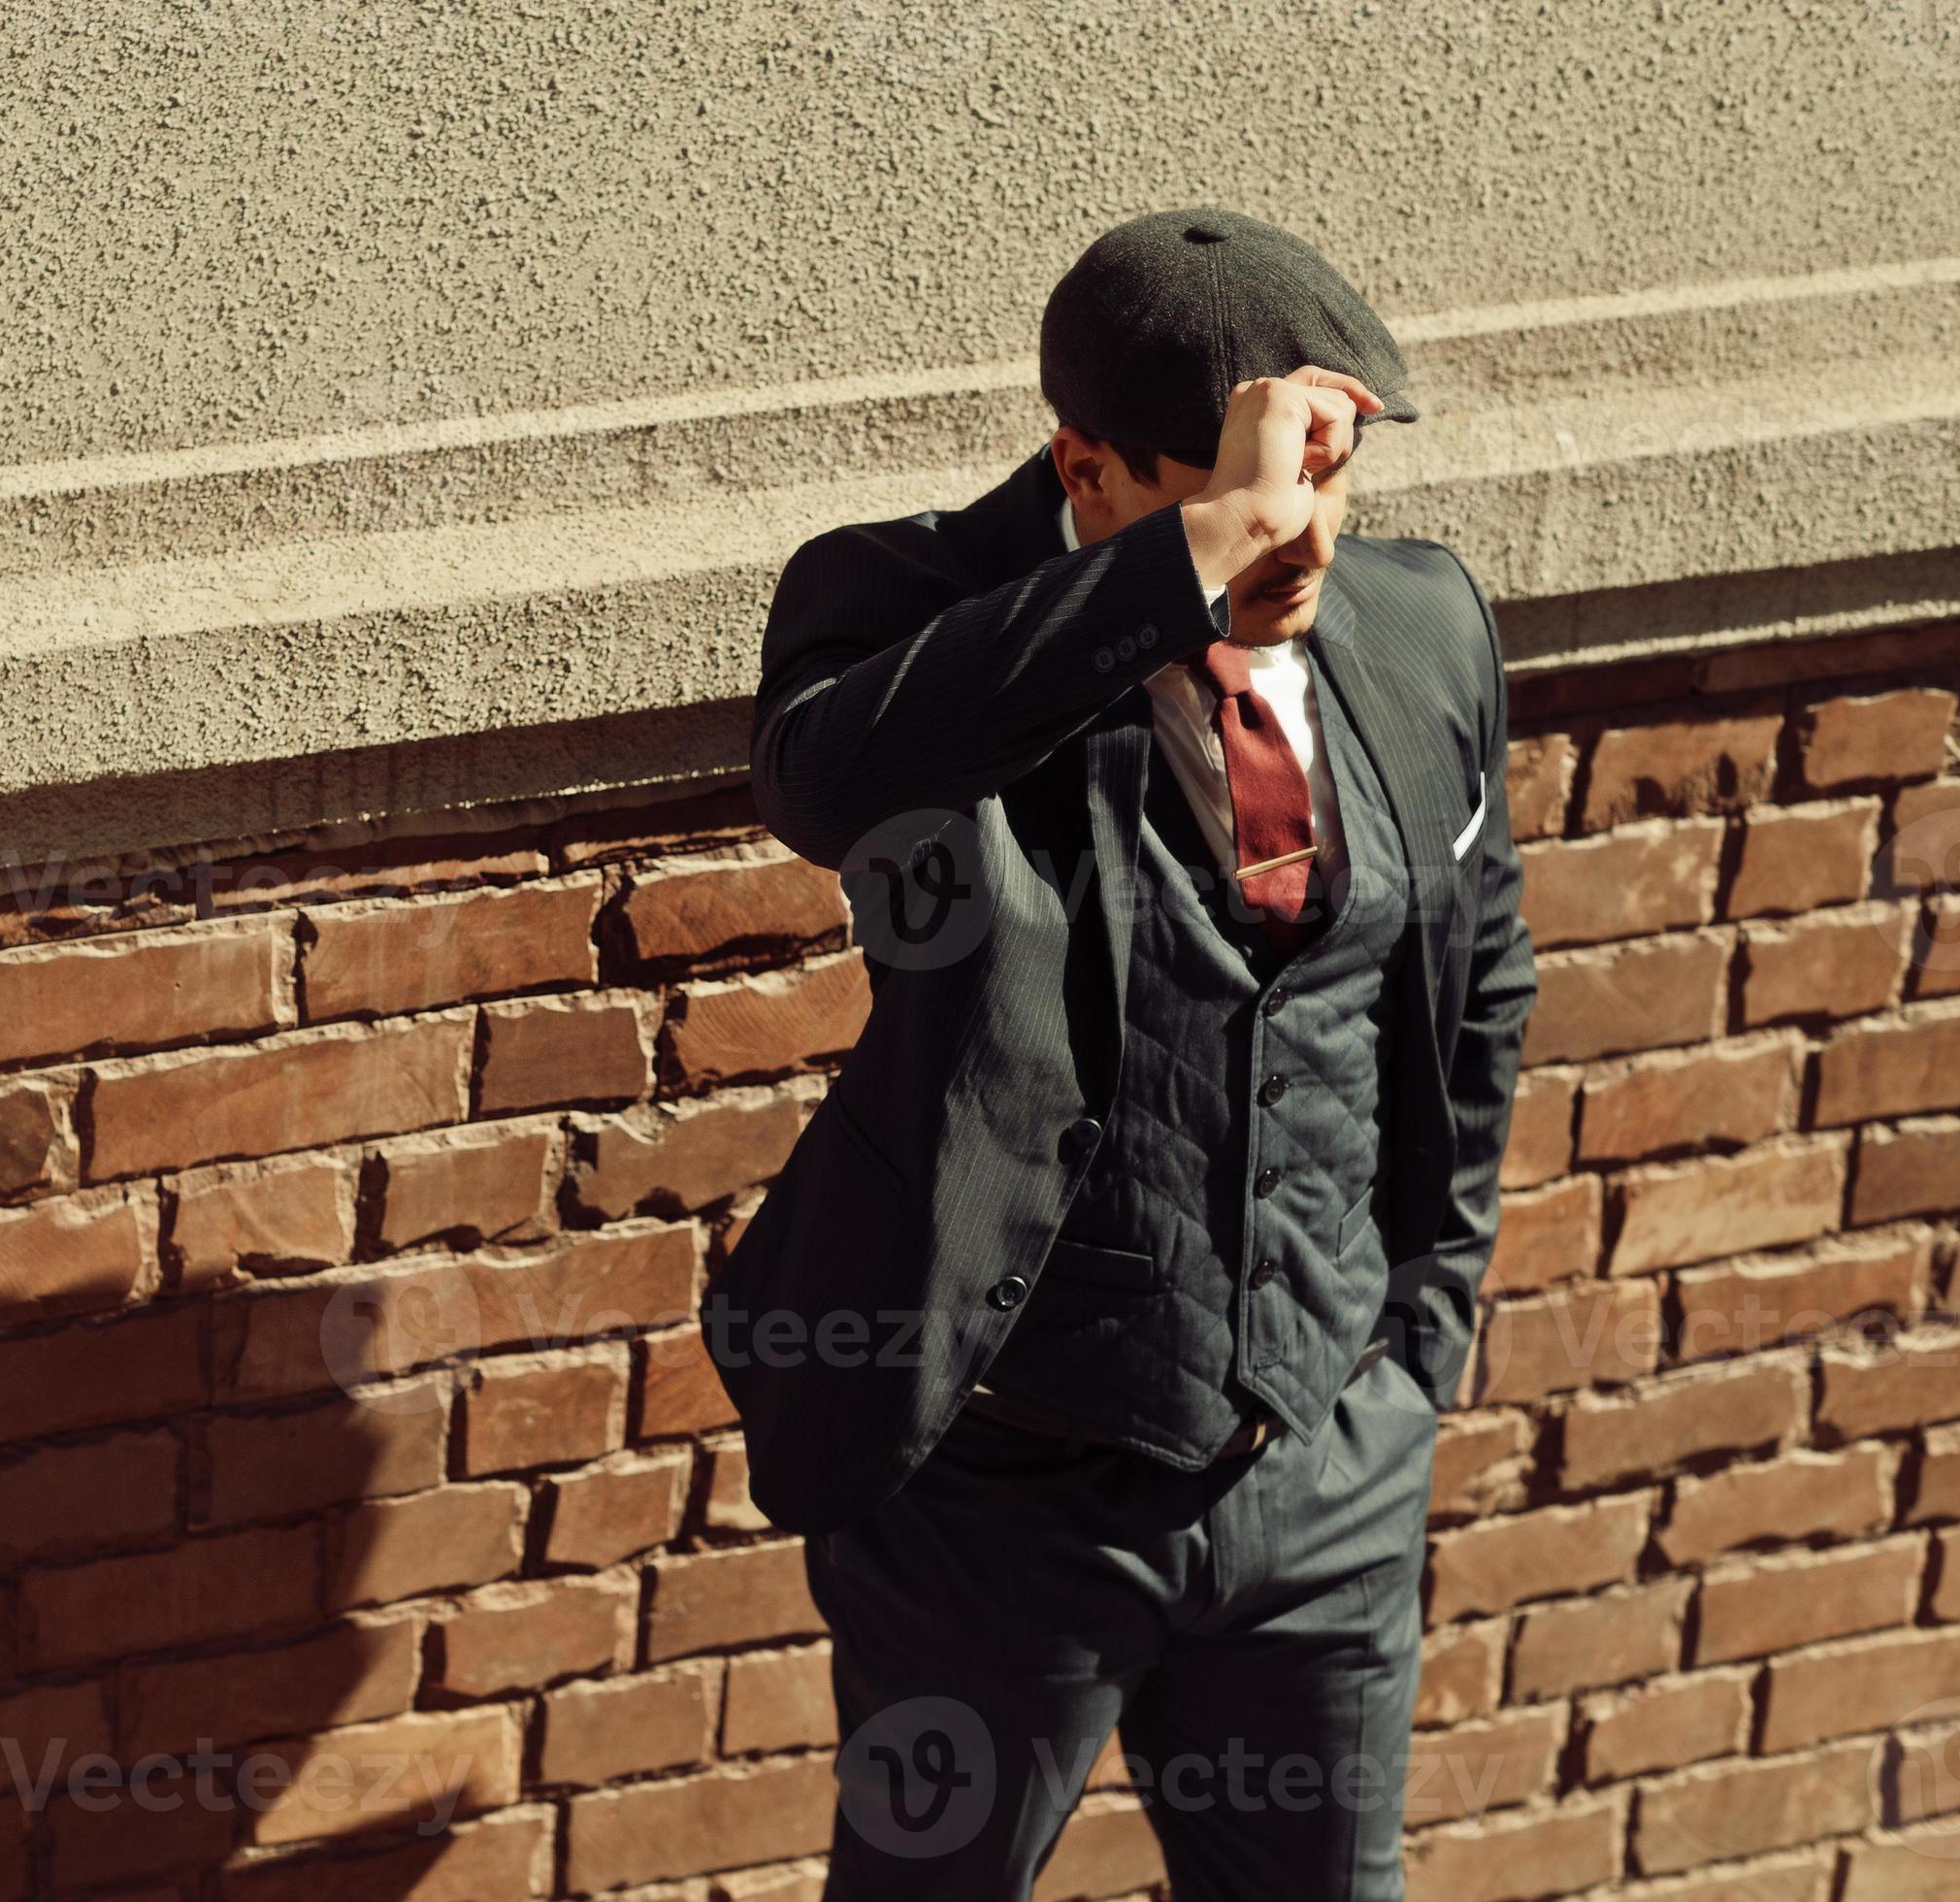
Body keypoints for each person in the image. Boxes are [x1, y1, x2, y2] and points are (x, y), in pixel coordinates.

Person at [701, 207, 1539, 1899]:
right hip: (1003, 1495)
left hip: (1323, 1470)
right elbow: (825, 779)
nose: (1296, 533)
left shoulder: (1422, 627)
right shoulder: (907, 607)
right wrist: (1169, 577)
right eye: (1239, 487)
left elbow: (1481, 979)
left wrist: (1413, 1348)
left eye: (1324, 471)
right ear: (1087, 467)